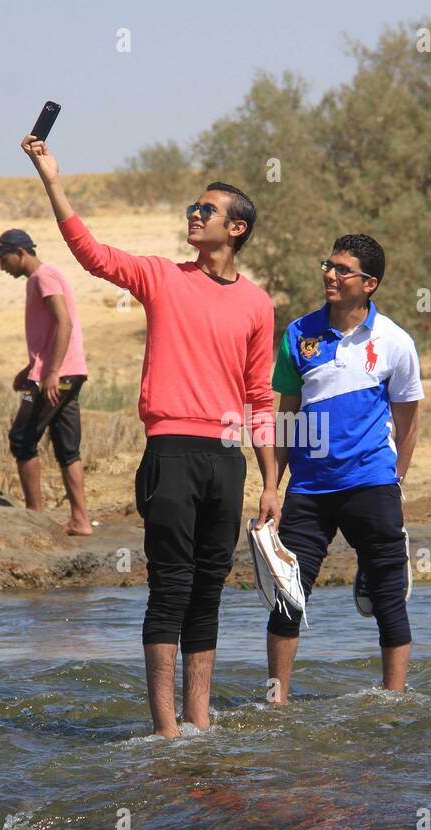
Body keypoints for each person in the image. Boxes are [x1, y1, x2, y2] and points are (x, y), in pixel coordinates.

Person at [22, 133, 279, 739]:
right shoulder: (162, 277)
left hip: (227, 459)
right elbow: (90, 252)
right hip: (169, 453)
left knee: (208, 592)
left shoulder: (258, 305)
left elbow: (261, 398)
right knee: (170, 587)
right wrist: (51, 179)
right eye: (193, 206)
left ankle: (200, 723)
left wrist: (273, 482)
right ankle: (166, 732)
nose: (194, 213)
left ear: (236, 229)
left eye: (207, 209)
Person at [265, 235, 423, 701]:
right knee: (287, 599)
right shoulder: (298, 333)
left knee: (390, 600)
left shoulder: (394, 341)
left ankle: (393, 700)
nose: (329, 276)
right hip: (308, 491)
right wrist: (272, 486)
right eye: (327, 266)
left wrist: (396, 484)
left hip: (371, 486)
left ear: (369, 284)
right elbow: (285, 416)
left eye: (342, 270)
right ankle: (276, 702)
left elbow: (408, 423)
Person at [0, 227, 93, 534]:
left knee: (22, 438)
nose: (1, 266)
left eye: (3, 258)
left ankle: (34, 515)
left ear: (20, 252)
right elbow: (52, 330)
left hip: (58, 375)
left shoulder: (43, 277)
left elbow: (64, 322)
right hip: (68, 372)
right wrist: (32, 367)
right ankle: (81, 520)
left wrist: (52, 371)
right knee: (67, 447)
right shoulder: (47, 274)